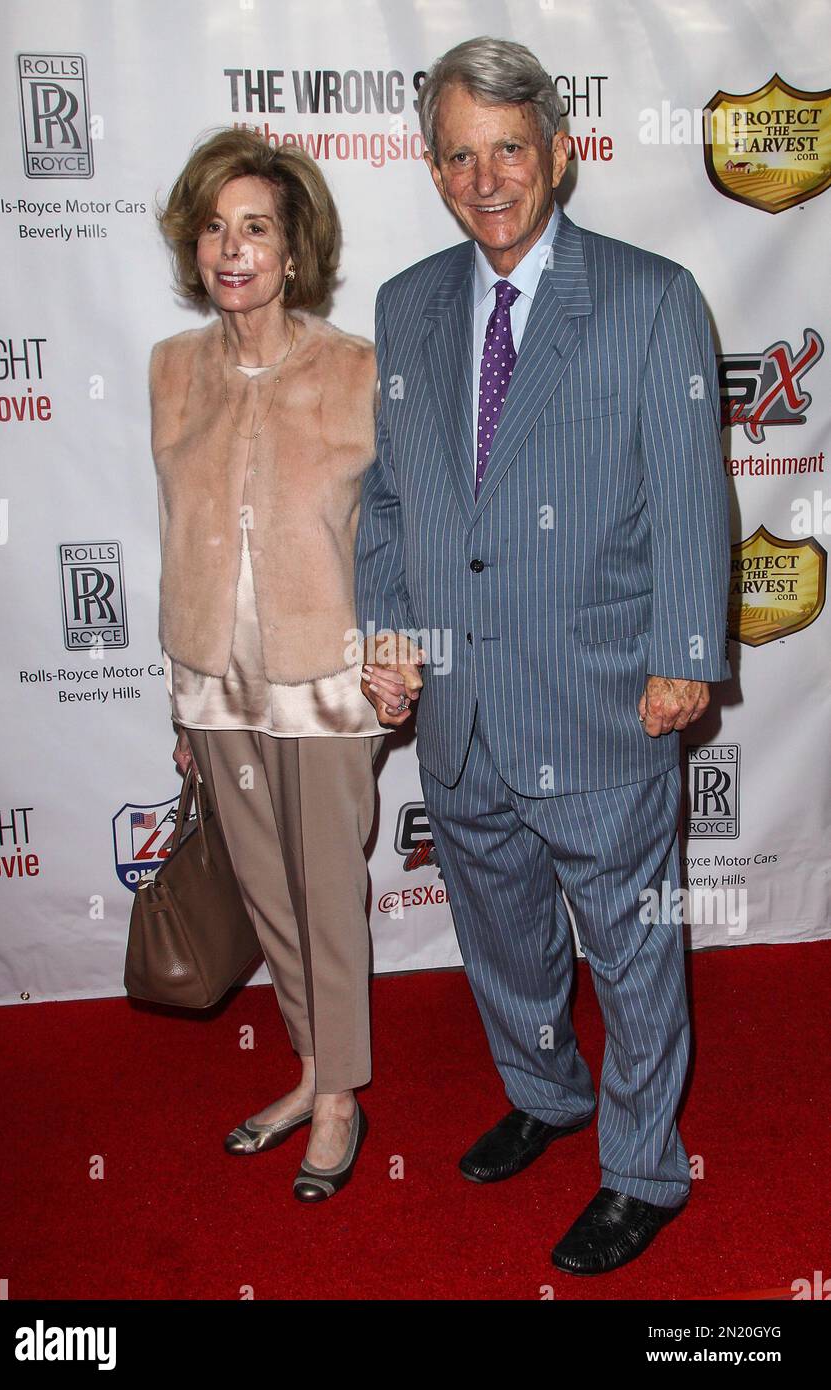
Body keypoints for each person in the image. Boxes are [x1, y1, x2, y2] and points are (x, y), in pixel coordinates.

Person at [355, 37, 731, 1273]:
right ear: (431, 169)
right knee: (502, 935)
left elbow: (688, 496)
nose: (485, 177)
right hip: (458, 706)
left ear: (557, 152)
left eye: (507, 146)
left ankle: (641, 1169)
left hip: (599, 698)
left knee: (629, 954)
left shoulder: (648, 295)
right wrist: (388, 630)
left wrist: (683, 653)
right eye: (457, 154)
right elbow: (397, 508)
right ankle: (546, 1090)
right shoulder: (404, 306)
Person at [150, 128, 395, 1202]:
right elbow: (171, 525)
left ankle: (338, 1094)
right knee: (266, 892)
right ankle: (309, 1067)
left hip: (325, 677)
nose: (232, 248)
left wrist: (397, 651)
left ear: (293, 251)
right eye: (213, 227)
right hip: (215, 677)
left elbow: (396, 533)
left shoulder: (355, 373)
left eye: (255, 227)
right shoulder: (169, 372)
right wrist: (179, 694)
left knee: (327, 893)